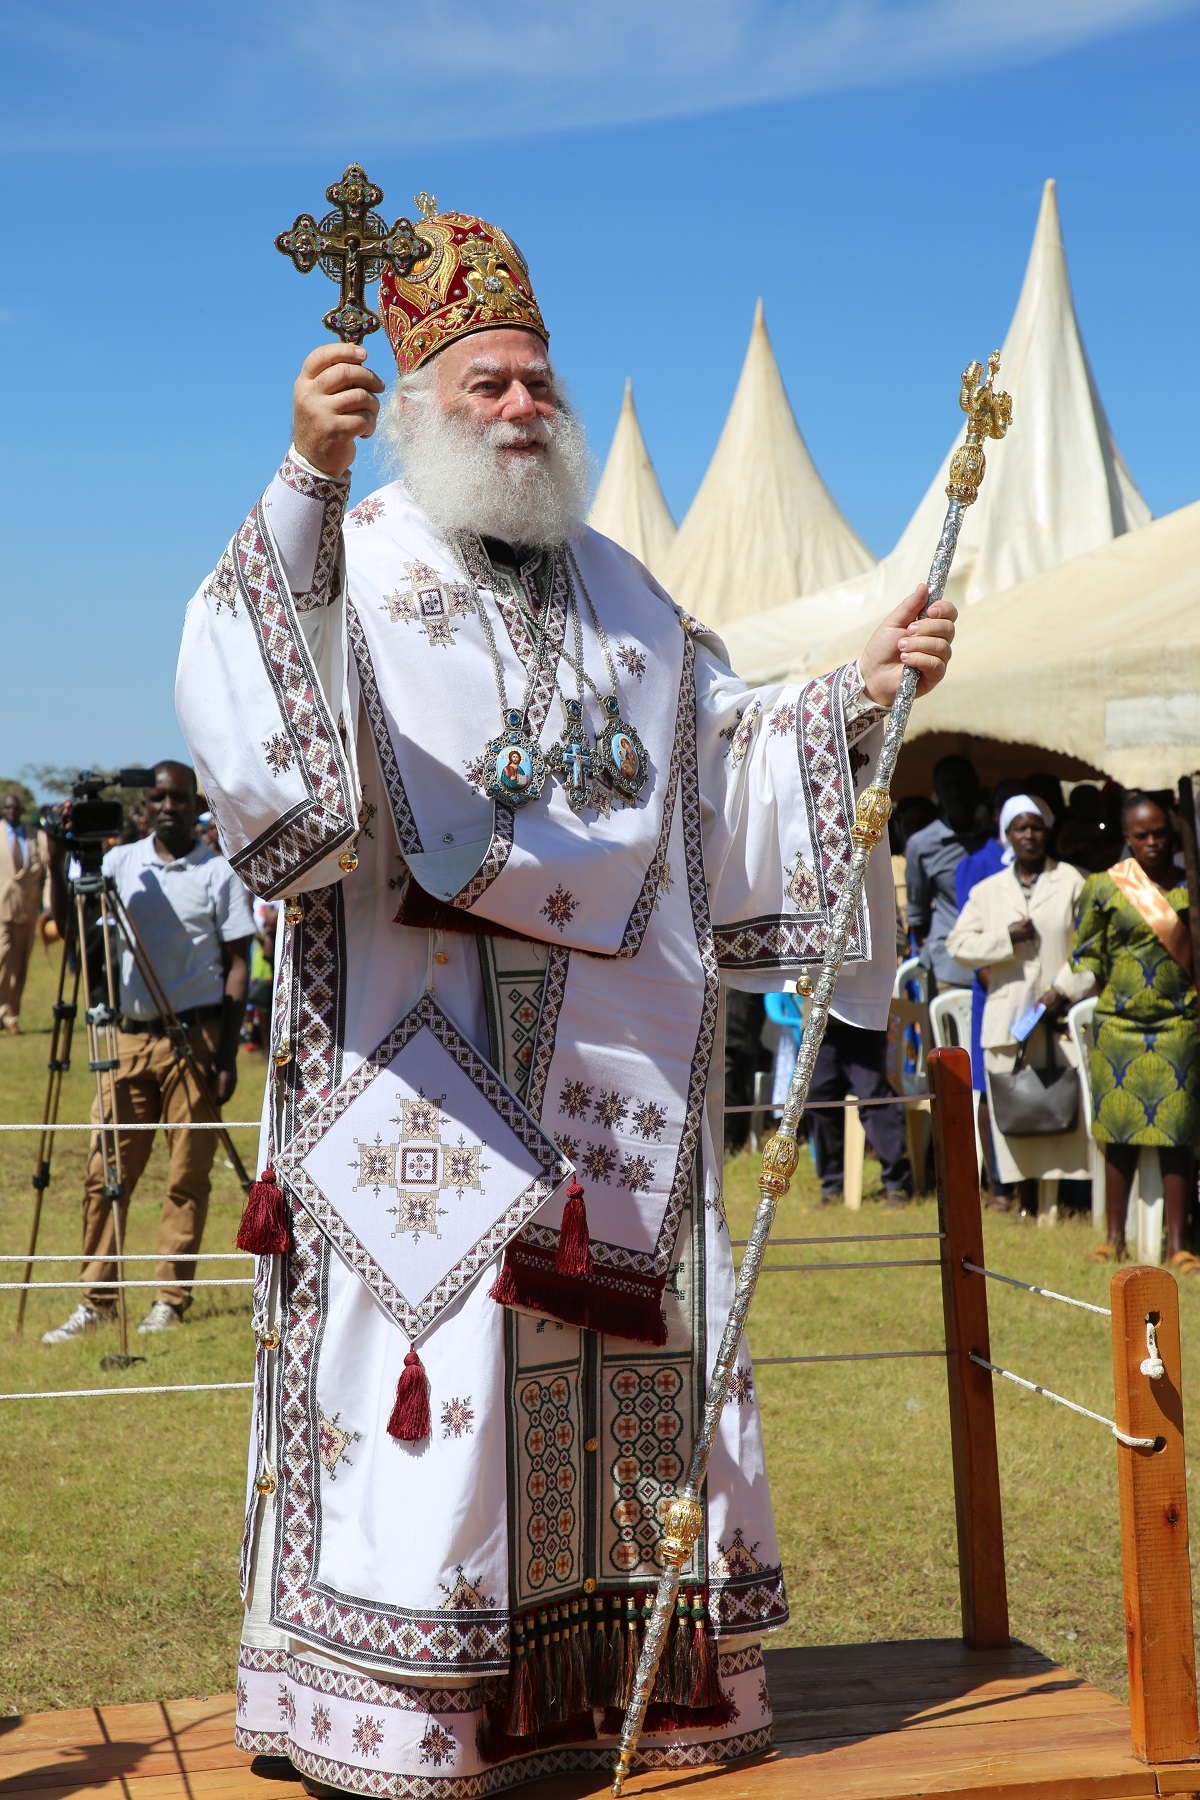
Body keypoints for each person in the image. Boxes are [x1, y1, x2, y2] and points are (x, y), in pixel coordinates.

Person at [175, 201, 955, 1795]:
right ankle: (406, 1713)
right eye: (488, 385)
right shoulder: (356, 554)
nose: (524, 407)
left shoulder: (634, 601)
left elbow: (717, 762)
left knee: (629, 1361)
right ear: (419, 403)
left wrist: (853, 700)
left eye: (539, 381)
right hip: (420, 1063)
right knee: (437, 1370)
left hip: (613, 1084)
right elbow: (278, 762)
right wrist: (305, 481)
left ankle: (633, 1690)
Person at [41, 761, 254, 1342]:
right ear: (145, 806)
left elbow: (240, 963)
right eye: (158, 798)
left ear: (194, 803)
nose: (168, 807)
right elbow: (75, 931)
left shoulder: (219, 872)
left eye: (179, 798)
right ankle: (96, 1300)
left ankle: (169, 1298)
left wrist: (228, 1053)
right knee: (104, 1171)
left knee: (187, 1174)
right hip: (129, 1035)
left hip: (198, 1036)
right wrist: (62, 855)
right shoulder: (118, 863)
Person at [1069, 792, 1199, 1269]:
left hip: (1178, 1024)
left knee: (1179, 1133)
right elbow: (1086, 954)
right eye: (1141, 835)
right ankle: (1113, 1239)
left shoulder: (1191, 885)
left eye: (1159, 833)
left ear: (1173, 833)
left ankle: (1179, 1244)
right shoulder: (1105, 886)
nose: (1151, 843)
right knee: (1118, 1131)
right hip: (1118, 1026)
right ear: (1126, 837)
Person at [947, 794, 1094, 1203]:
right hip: (1009, 1017)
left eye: (1036, 827)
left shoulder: (1072, 881)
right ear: (1006, 835)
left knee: (1064, 1102)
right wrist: (1004, 939)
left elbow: (1091, 949)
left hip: (1060, 1015)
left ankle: (1060, 1199)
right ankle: (1016, 1195)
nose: (1029, 835)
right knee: (1015, 1105)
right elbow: (957, 945)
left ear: (1048, 831)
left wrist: (1061, 991)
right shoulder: (987, 891)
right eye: (1020, 828)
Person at [905, 755, 987, 992]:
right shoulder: (922, 845)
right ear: (937, 794)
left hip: (1002, 962)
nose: (956, 793)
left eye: (962, 784)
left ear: (976, 785)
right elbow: (918, 917)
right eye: (947, 787)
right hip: (951, 972)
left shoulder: (996, 838)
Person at [0, 793, 48, 1035]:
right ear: (2, 809)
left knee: (20, 965)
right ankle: (1, 1011)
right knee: (1, 960)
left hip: (27, 908)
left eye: (16, 808)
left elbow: (48, 872)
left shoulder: (35, 835)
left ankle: (12, 1015)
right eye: (8, 808)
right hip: (1, 908)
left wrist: (48, 905)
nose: (12, 812)